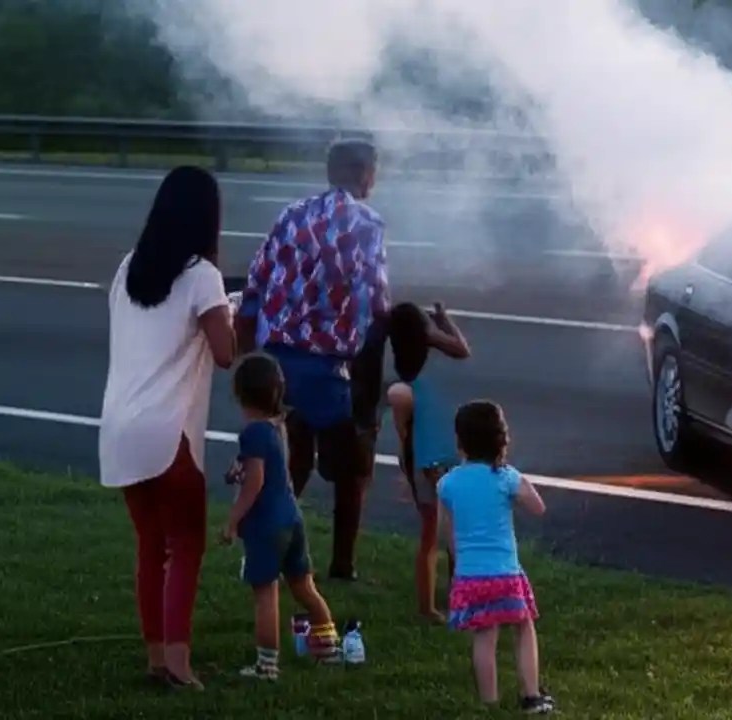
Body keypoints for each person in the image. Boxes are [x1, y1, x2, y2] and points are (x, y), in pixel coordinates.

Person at [97, 165, 236, 690]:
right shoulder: (203, 274)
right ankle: (179, 666)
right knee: (187, 545)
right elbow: (225, 355)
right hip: (167, 431)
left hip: (118, 427)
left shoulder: (128, 267)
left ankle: (157, 658)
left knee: (150, 547)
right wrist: (231, 315)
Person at [234, 139, 390, 581]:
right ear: (365, 175)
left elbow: (258, 278)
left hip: (280, 359)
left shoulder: (291, 215)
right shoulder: (367, 224)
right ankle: (342, 565)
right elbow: (376, 299)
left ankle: (273, 546)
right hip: (326, 367)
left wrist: (250, 338)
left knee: (293, 460)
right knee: (351, 470)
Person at [221, 353, 342, 679]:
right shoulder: (277, 427)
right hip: (292, 518)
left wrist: (233, 520)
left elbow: (256, 481)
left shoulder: (252, 433)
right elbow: (263, 467)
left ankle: (267, 665)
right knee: (304, 587)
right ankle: (328, 646)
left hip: (266, 525)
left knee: (265, 593)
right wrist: (240, 468)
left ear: (239, 393)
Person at [437, 401, 556, 715]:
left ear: (460, 441)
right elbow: (538, 506)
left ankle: (489, 703)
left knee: (484, 636)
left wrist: (458, 559)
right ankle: (531, 695)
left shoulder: (448, 482)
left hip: (470, 574)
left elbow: (445, 530)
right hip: (505, 572)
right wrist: (515, 478)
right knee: (523, 625)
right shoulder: (505, 477)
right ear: (501, 440)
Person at [386, 301, 471, 622]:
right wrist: (444, 321)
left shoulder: (404, 375)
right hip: (441, 457)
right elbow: (462, 349)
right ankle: (450, 599)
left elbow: (405, 434)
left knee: (431, 534)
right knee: (451, 533)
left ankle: (431, 605)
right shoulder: (429, 353)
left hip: (420, 458)